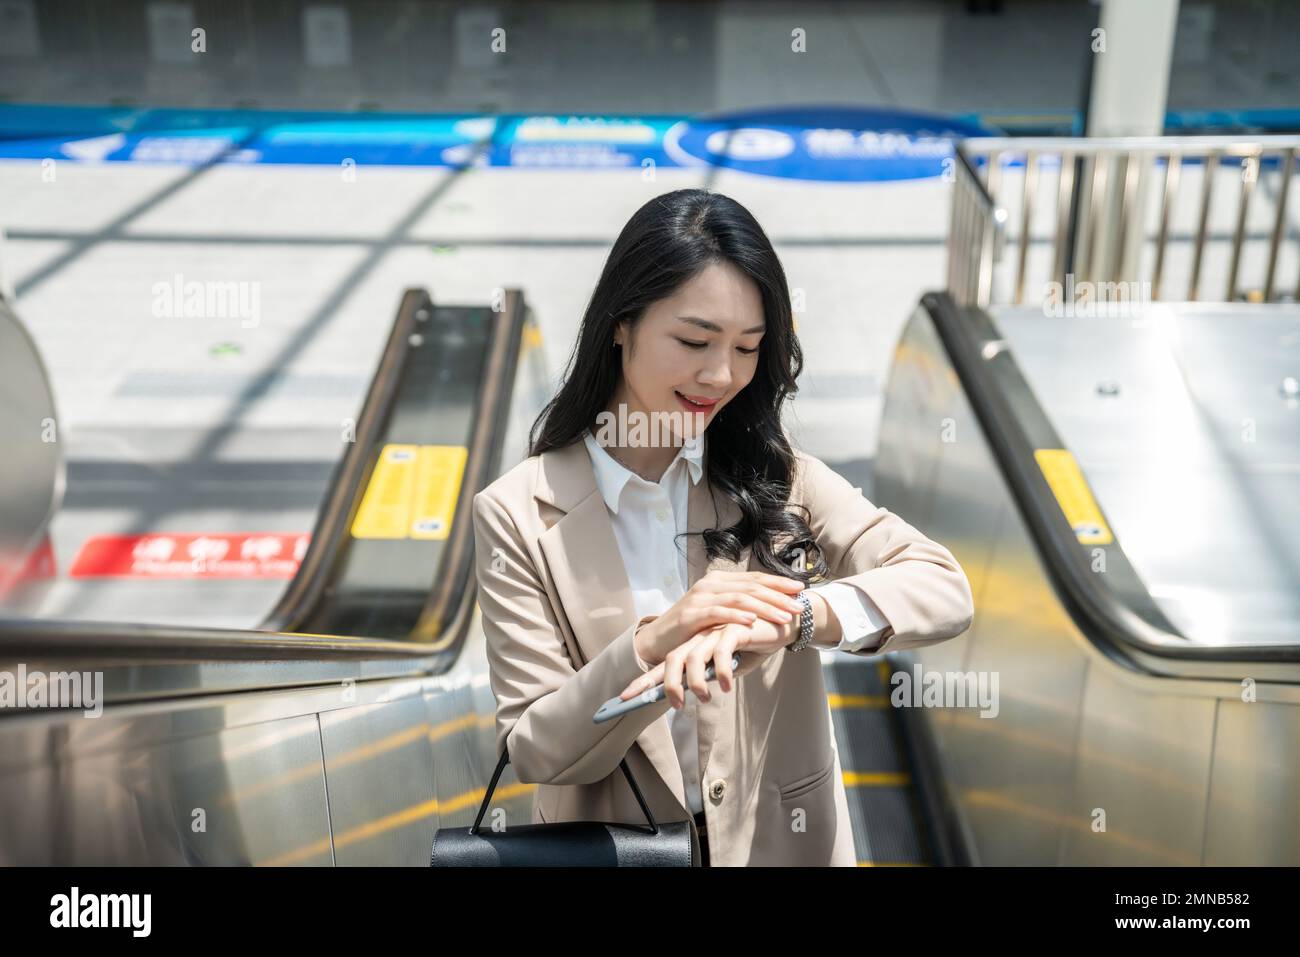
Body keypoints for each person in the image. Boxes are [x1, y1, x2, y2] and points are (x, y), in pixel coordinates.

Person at [471, 187, 974, 866]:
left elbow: (942, 586)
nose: (722, 374)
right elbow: (534, 745)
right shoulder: (516, 513)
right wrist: (653, 644)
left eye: (748, 347)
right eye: (694, 340)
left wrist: (799, 615)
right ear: (621, 323)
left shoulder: (776, 475)